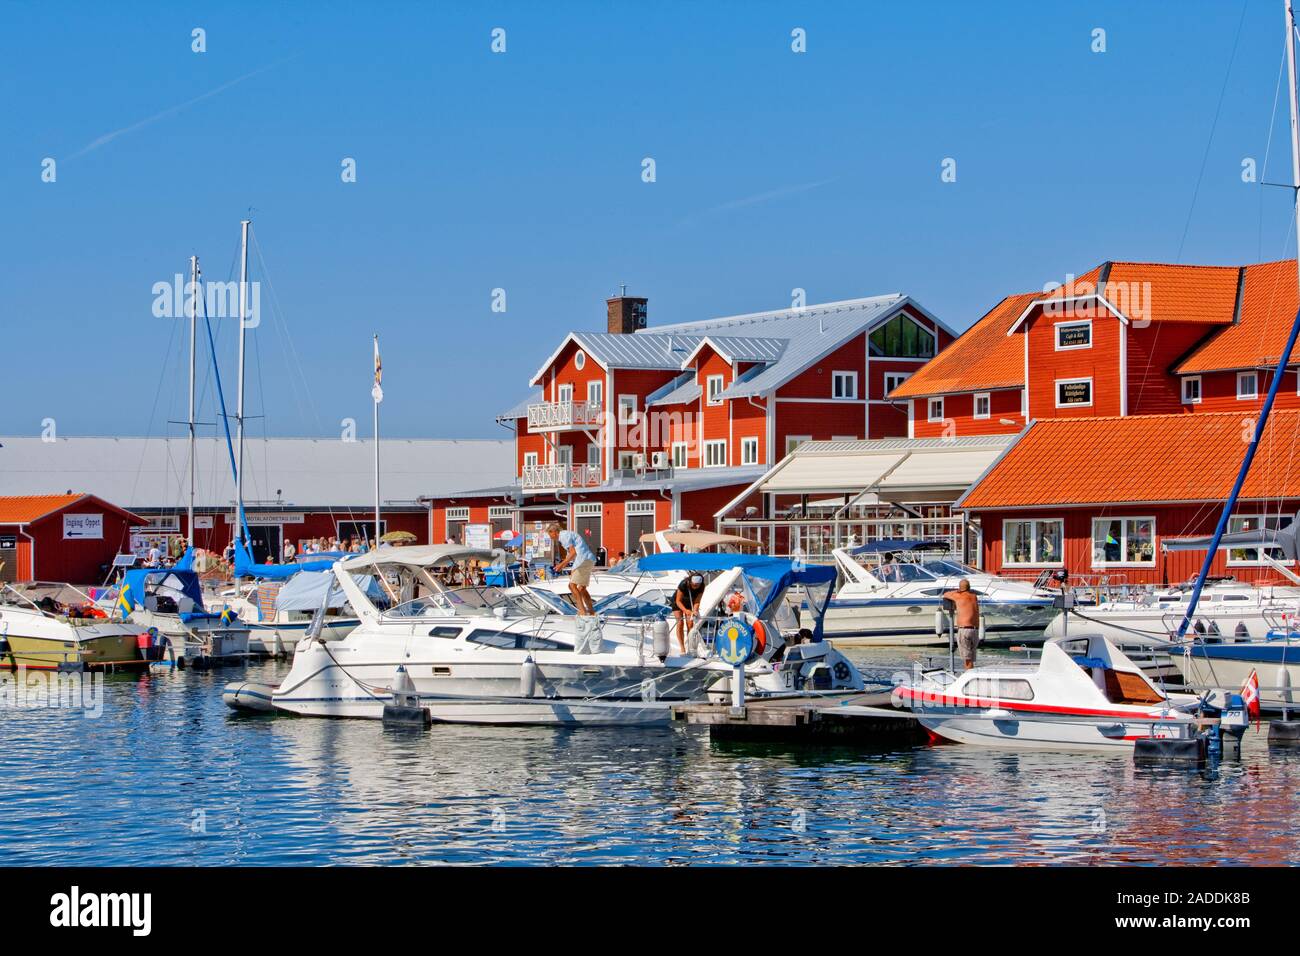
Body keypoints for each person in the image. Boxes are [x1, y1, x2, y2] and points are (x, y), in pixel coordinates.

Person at [547, 522, 596, 616]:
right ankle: (591, 612)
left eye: (550, 535)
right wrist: (566, 564)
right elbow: (572, 553)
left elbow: (573, 553)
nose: (551, 537)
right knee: (581, 588)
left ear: (554, 532)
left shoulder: (563, 536)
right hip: (588, 559)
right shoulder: (566, 534)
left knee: (572, 586)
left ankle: (582, 611)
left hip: (583, 559)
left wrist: (561, 565)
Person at [942, 579, 981, 669]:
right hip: (975, 630)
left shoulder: (958, 596)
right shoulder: (974, 596)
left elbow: (946, 594)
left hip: (964, 630)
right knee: (970, 660)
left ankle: (969, 680)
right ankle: (972, 677)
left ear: (960, 588)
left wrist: (957, 591)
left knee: (967, 660)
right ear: (969, 587)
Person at [673, 572, 706, 654]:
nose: (695, 587)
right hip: (678, 603)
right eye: (694, 585)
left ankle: (690, 646)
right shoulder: (683, 584)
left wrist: (695, 610)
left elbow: (697, 601)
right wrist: (685, 610)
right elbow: (678, 601)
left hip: (690, 602)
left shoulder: (702, 586)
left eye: (697, 585)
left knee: (690, 624)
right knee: (680, 623)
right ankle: (682, 647)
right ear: (690, 582)